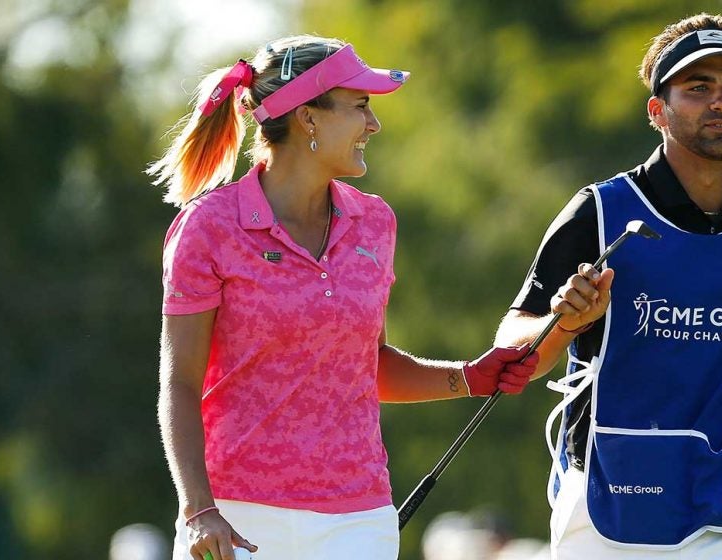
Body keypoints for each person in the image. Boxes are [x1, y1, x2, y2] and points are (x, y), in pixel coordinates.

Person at [148, 35, 539, 560]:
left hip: (359, 518)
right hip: (235, 515)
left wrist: (469, 377)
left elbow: (368, 365)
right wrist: (197, 509)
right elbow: (181, 382)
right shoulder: (210, 227)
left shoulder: (374, 222)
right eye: (360, 107)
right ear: (308, 116)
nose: (373, 124)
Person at [493, 13, 722, 560]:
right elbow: (512, 342)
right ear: (657, 111)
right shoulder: (600, 211)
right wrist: (563, 320)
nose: (721, 102)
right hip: (613, 495)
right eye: (697, 88)